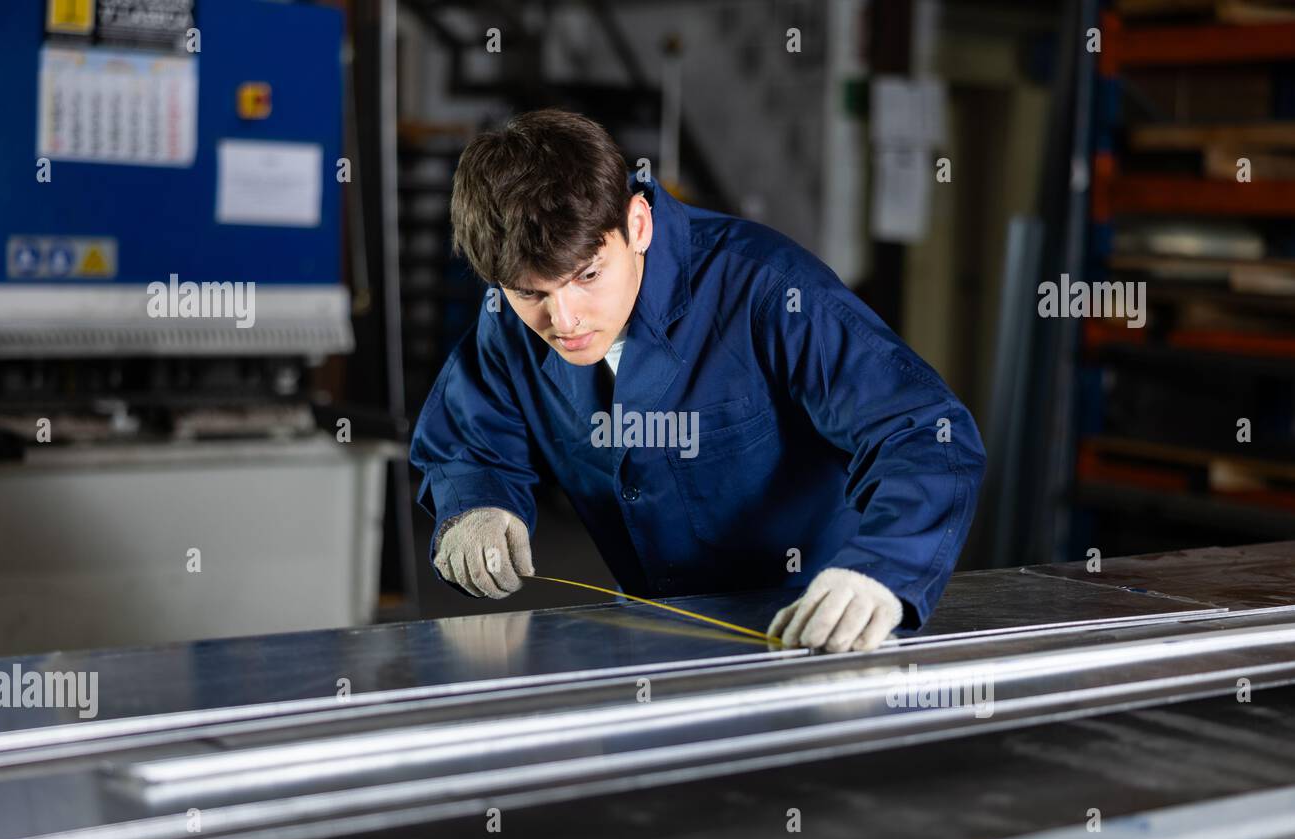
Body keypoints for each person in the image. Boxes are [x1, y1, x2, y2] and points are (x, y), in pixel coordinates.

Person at [411, 109, 985, 653]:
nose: (565, 320)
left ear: (637, 224)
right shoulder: (509, 321)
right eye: (531, 293)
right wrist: (476, 503)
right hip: (651, 630)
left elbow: (924, 431)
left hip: (819, 622)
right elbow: (472, 438)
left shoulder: (769, 291)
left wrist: (881, 570)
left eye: (587, 276)